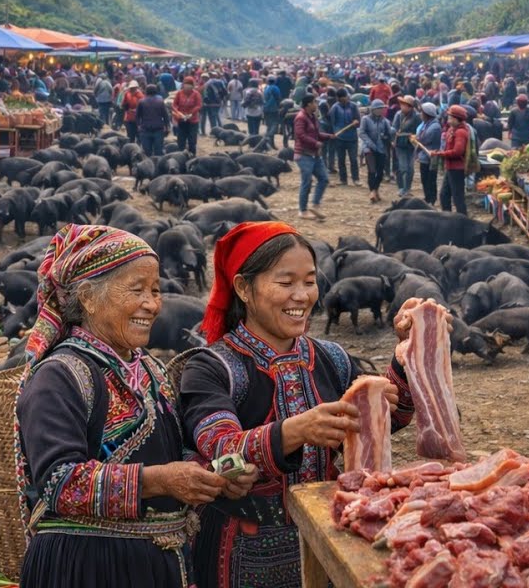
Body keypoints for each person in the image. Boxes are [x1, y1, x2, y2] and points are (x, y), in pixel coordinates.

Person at [16, 225, 256, 588]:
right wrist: (161, 480)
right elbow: (59, 483)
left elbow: (167, 452)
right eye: (137, 289)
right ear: (88, 298)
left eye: (155, 290)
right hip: (87, 568)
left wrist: (212, 476)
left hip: (153, 564)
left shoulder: (149, 369)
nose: (152, 304)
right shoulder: (60, 376)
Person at [178, 222, 415, 588]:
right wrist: (297, 431)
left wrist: (405, 357)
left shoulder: (331, 358)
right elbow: (222, 450)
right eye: (286, 283)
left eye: (309, 281)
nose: (302, 296)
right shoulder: (212, 367)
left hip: (327, 538)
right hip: (242, 547)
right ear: (243, 288)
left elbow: (381, 424)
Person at [292, 93, 333, 221]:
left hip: (314, 155)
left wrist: (328, 136)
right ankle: (303, 210)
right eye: (315, 102)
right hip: (304, 155)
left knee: (324, 179)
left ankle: (315, 205)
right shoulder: (301, 117)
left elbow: (316, 134)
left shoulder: (312, 117)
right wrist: (315, 143)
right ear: (308, 104)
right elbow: (300, 135)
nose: (317, 104)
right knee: (307, 182)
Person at [432, 105, 470, 215]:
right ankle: (448, 218)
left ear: (456, 119)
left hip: (457, 169)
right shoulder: (452, 130)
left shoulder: (460, 132)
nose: (448, 118)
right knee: (444, 195)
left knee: (458, 197)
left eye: (450, 116)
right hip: (451, 168)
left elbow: (458, 151)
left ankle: (463, 220)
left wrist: (441, 154)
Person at [359, 100, 392, 203]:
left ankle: (376, 189)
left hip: (381, 149)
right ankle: (372, 191)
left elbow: (389, 134)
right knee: (372, 170)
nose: (380, 110)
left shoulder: (385, 121)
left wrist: (387, 135)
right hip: (369, 148)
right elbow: (362, 133)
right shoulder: (365, 119)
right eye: (378, 108)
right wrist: (370, 144)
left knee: (380, 172)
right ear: (373, 109)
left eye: (382, 108)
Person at [329, 90, 361, 186]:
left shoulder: (353, 106)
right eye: (342, 99)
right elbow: (331, 123)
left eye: (346, 97)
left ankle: (356, 179)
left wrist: (356, 122)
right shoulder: (335, 108)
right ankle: (343, 179)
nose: (345, 100)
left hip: (352, 138)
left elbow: (358, 121)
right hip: (339, 138)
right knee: (341, 159)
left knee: (353, 159)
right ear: (338, 99)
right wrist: (333, 134)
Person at [391, 96, 420, 198]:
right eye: (401, 104)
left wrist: (415, 136)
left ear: (410, 107)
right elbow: (394, 128)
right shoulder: (398, 115)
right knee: (403, 167)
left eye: (404, 105)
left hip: (411, 144)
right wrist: (393, 138)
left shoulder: (417, 116)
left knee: (410, 168)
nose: (402, 106)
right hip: (400, 144)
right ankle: (401, 188)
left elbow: (419, 130)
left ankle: (407, 188)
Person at [414, 103, 441, 204]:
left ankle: (431, 199)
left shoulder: (435, 127)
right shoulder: (427, 124)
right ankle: (427, 197)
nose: (420, 114)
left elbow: (425, 139)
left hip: (431, 157)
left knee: (430, 179)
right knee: (424, 179)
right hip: (425, 156)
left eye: (422, 112)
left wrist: (417, 138)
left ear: (427, 114)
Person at [137, 84, 170, 157]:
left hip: (145, 129)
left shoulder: (141, 102)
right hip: (158, 129)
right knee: (158, 152)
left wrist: (138, 126)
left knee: (147, 152)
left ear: (146, 91)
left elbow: (137, 116)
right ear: (156, 91)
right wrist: (167, 126)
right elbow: (165, 115)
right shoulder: (160, 101)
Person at [172, 77, 202, 155]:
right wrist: (178, 112)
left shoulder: (196, 94)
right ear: (183, 84)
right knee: (181, 141)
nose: (188, 86)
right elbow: (174, 105)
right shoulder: (179, 93)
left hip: (193, 120)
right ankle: (181, 156)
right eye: (186, 84)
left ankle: (192, 156)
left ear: (192, 85)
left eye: (190, 84)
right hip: (181, 119)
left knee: (192, 141)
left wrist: (191, 113)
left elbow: (198, 105)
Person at [261, 79, 282, 149]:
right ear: (274, 82)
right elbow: (278, 98)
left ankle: (268, 143)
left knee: (269, 126)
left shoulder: (266, 88)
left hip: (266, 109)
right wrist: (279, 107)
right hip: (273, 109)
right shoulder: (275, 88)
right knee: (274, 125)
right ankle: (270, 142)